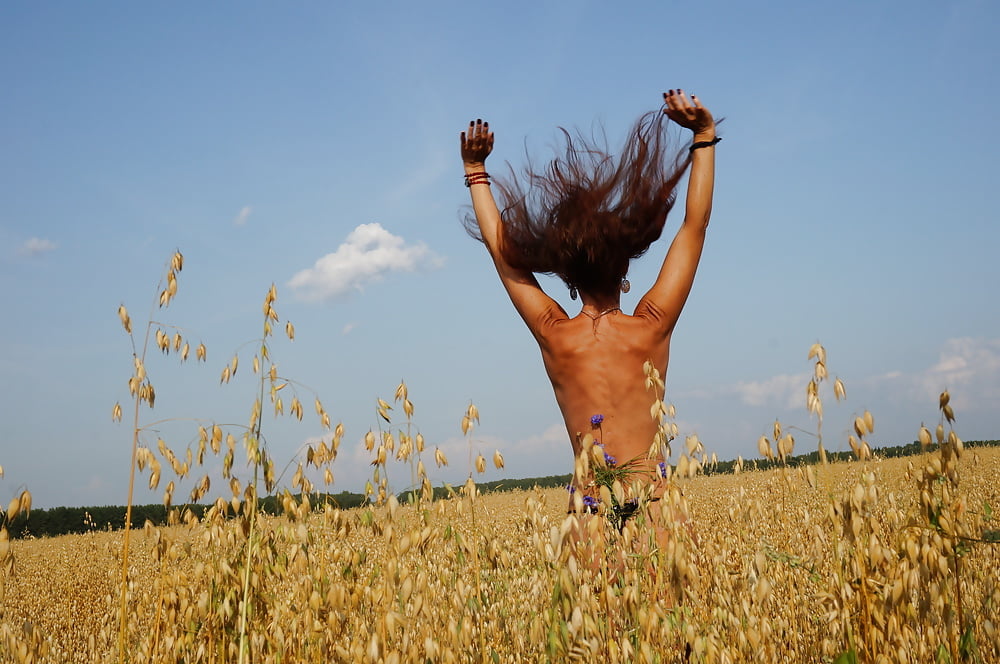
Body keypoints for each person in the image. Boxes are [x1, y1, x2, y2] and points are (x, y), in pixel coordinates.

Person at [460, 89, 717, 534]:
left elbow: (503, 258)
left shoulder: (555, 333)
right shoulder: (651, 327)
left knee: (589, 605)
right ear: (624, 271)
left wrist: (475, 172)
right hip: (656, 515)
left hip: (589, 519)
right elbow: (695, 226)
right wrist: (703, 137)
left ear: (568, 277)